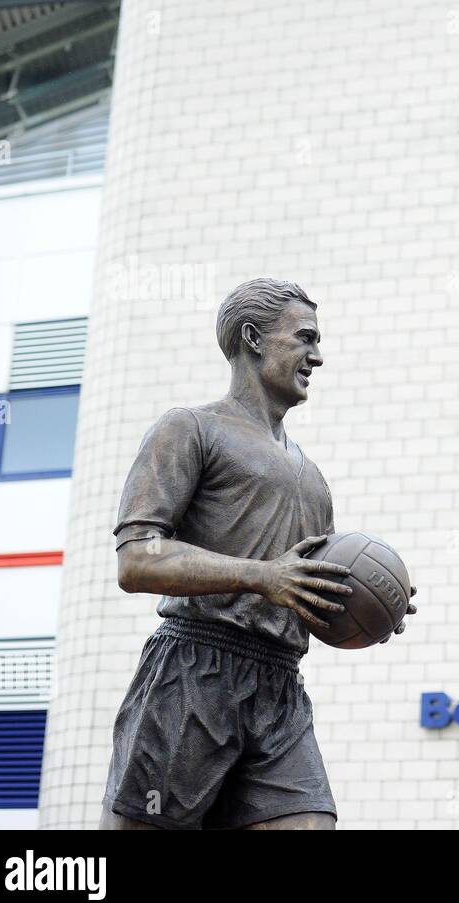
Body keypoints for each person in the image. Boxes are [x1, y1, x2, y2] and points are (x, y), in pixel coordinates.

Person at [98, 277, 415, 830]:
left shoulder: (312, 477)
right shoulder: (189, 429)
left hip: (279, 686)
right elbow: (137, 559)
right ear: (253, 338)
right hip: (194, 670)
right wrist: (262, 577)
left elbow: (311, 584)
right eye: (305, 338)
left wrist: (373, 602)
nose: (318, 356)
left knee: (310, 822)